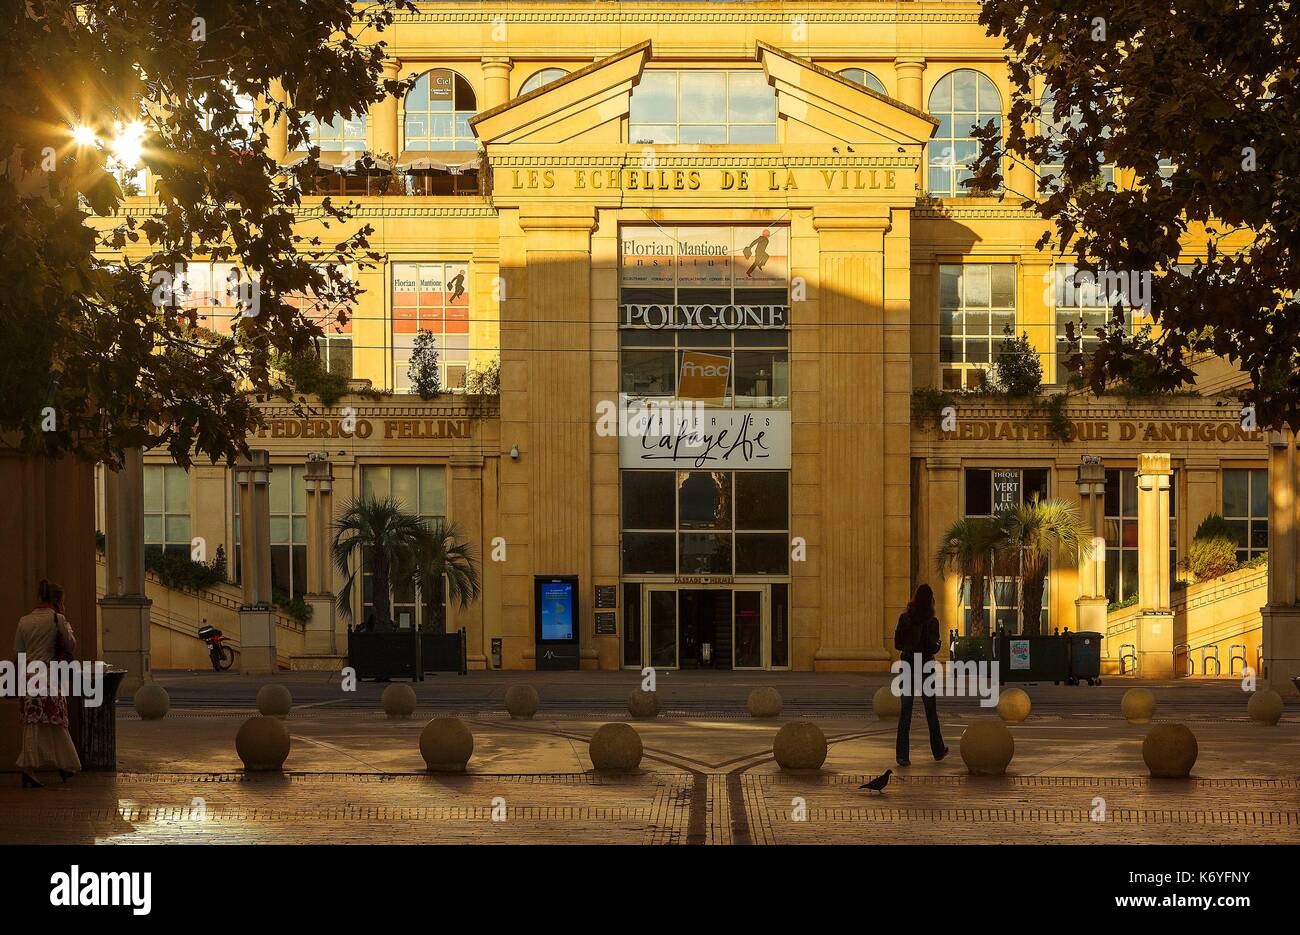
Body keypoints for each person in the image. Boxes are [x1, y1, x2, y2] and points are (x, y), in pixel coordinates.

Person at [14, 579, 82, 787]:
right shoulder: (57, 619)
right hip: (50, 677)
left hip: (29, 677)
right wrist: (64, 620)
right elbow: (71, 645)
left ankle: (38, 767)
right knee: (57, 719)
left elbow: (18, 652)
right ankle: (63, 764)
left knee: (33, 721)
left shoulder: (24, 621)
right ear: (58, 600)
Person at [894, 583, 949, 767]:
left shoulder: (904, 618)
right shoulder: (932, 622)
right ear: (930, 600)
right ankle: (938, 750)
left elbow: (897, 644)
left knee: (905, 713)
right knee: (931, 712)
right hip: (925, 666)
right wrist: (937, 644)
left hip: (908, 665)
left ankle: (902, 756)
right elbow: (932, 646)